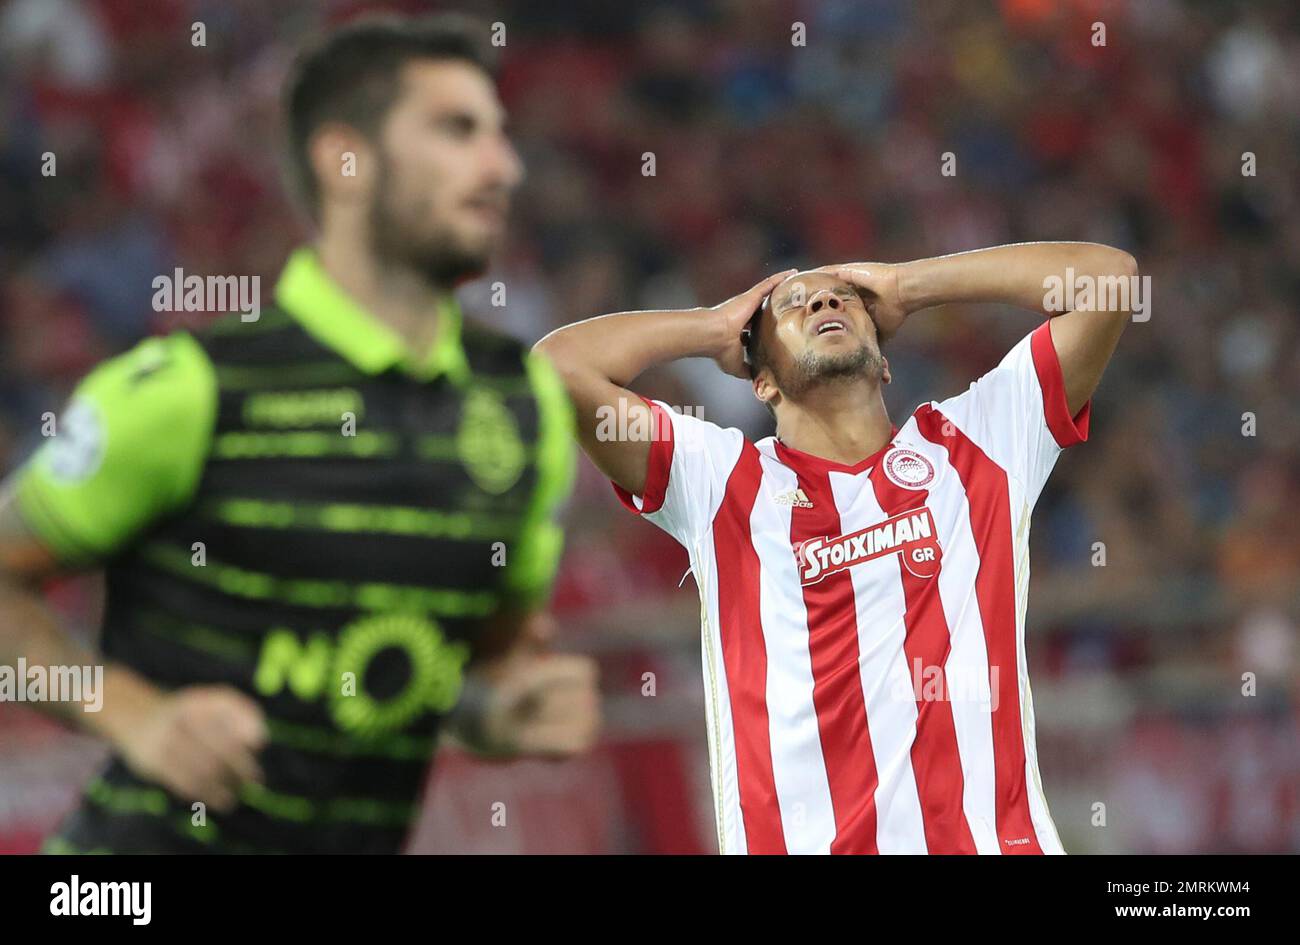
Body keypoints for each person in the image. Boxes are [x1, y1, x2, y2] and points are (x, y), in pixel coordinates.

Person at [0, 13, 598, 855]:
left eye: (500, 134)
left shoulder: (523, 402)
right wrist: (136, 716)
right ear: (342, 161)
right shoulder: (191, 390)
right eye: (457, 130)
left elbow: (463, 665)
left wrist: (499, 712)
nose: (503, 165)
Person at [535, 242, 1137, 854]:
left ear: (884, 364)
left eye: (844, 297)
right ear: (761, 381)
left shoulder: (978, 445)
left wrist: (910, 287)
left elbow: (1109, 282)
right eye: (792, 305)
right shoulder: (720, 481)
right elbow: (557, 368)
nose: (823, 298)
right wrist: (714, 326)